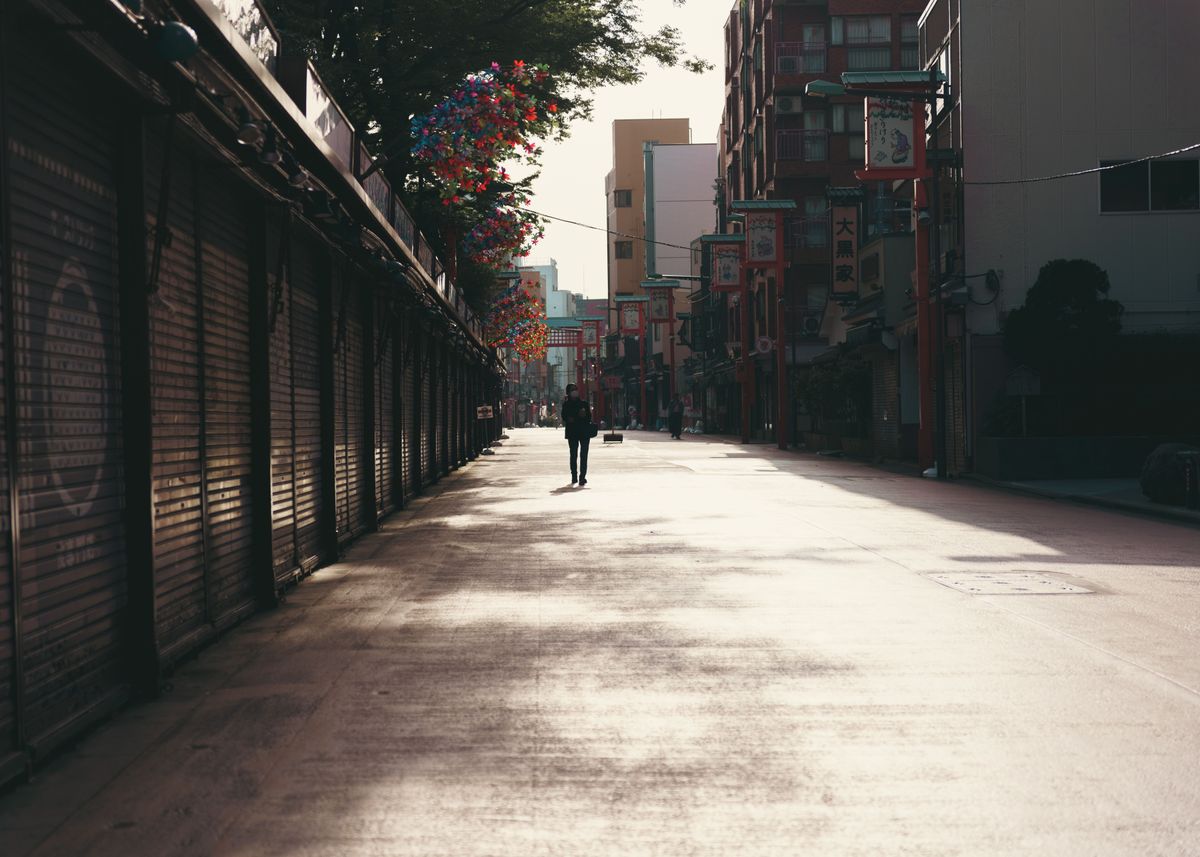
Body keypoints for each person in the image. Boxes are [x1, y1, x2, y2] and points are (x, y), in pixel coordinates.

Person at [561, 383, 592, 485]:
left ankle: (582, 477)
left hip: (584, 432)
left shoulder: (584, 404)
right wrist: (575, 416)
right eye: (572, 390)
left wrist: (582, 416)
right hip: (573, 433)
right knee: (573, 455)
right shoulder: (566, 405)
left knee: (584, 455)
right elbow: (565, 417)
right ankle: (574, 476)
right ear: (568, 393)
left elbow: (589, 418)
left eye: (576, 389)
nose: (575, 391)